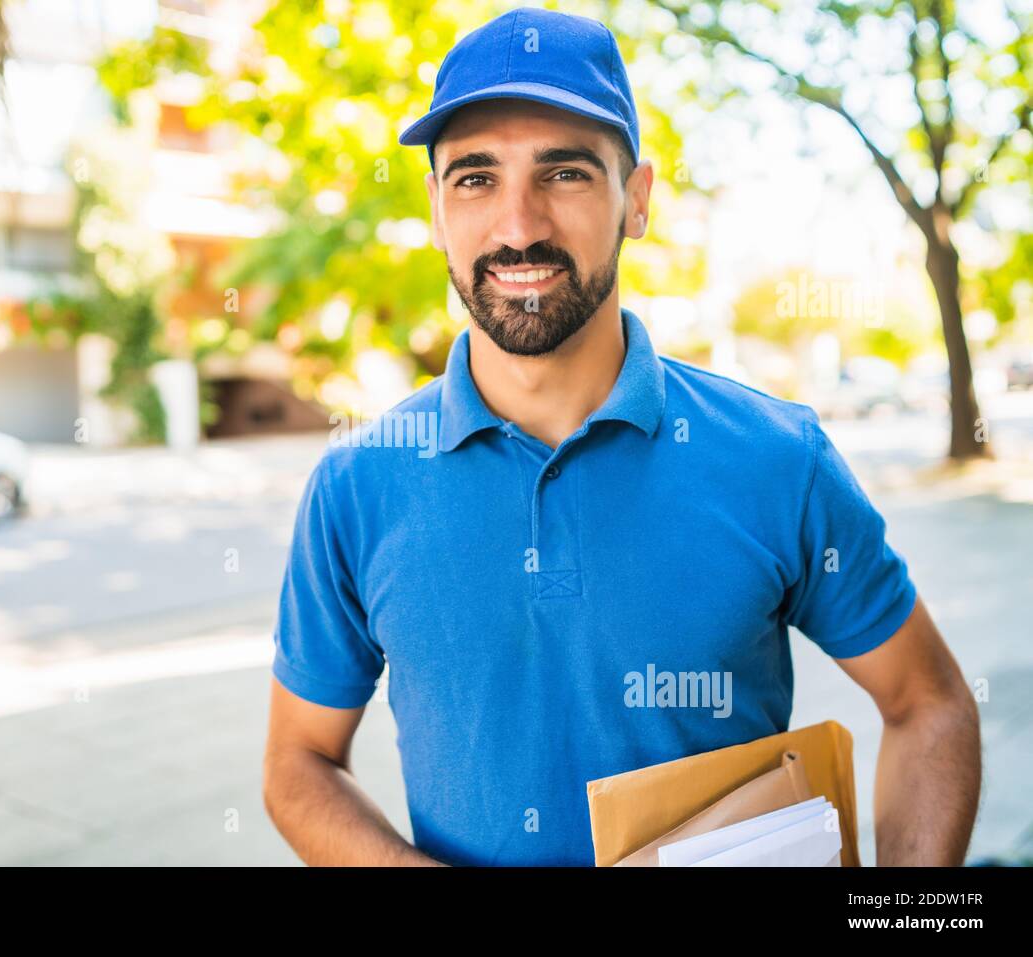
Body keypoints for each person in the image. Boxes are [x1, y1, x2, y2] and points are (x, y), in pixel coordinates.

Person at [262, 7, 979, 866]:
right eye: (475, 178)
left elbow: (929, 702)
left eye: (563, 173)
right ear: (435, 206)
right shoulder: (356, 485)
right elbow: (297, 761)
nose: (517, 225)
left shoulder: (778, 458)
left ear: (635, 199)